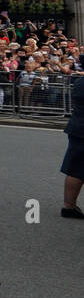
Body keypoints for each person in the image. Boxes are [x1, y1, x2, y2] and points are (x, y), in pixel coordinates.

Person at [62, 75, 84, 219]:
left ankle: (69, 206)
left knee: (76, 169)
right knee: (77, 170)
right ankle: (69, 206)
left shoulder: (80, 81)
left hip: (78, 126)